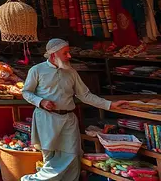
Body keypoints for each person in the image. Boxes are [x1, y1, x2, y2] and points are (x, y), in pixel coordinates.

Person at [21, 38, 126, 181]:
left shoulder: (71, 72)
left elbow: (85, 95)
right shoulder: (37, 70)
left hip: (68, 120)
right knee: (50, 157)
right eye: (66, 53)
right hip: (46, 119)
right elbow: (26, 92)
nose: (69, 56)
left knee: (72, 156)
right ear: (53, 55)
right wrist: (41, 101)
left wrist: (110, 105)